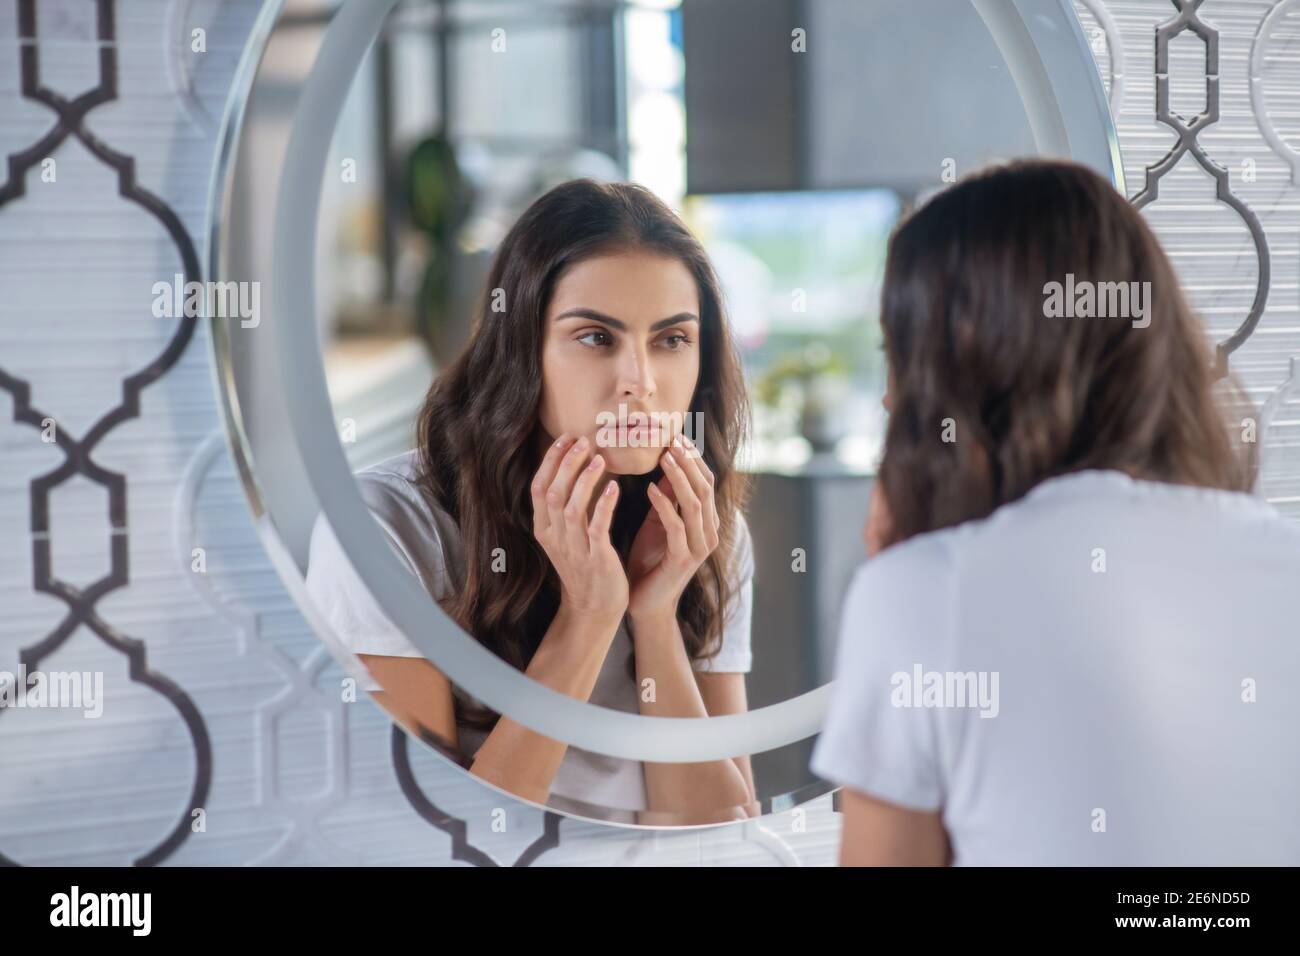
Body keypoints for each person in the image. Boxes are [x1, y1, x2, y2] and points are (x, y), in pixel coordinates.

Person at [811, 159, 1300, 865]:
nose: (892, 399)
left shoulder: (928, 593)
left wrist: (906, 585)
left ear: (964, 364)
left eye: (903, 356)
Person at [306, 179, 759, 824]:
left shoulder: (705, 532)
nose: (641, 383)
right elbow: (436, 844)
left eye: (671, 339)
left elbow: (723, 837)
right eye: (596, 338)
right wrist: (588, 616)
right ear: (522, 352)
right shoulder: (386, 530)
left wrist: (654, 617)